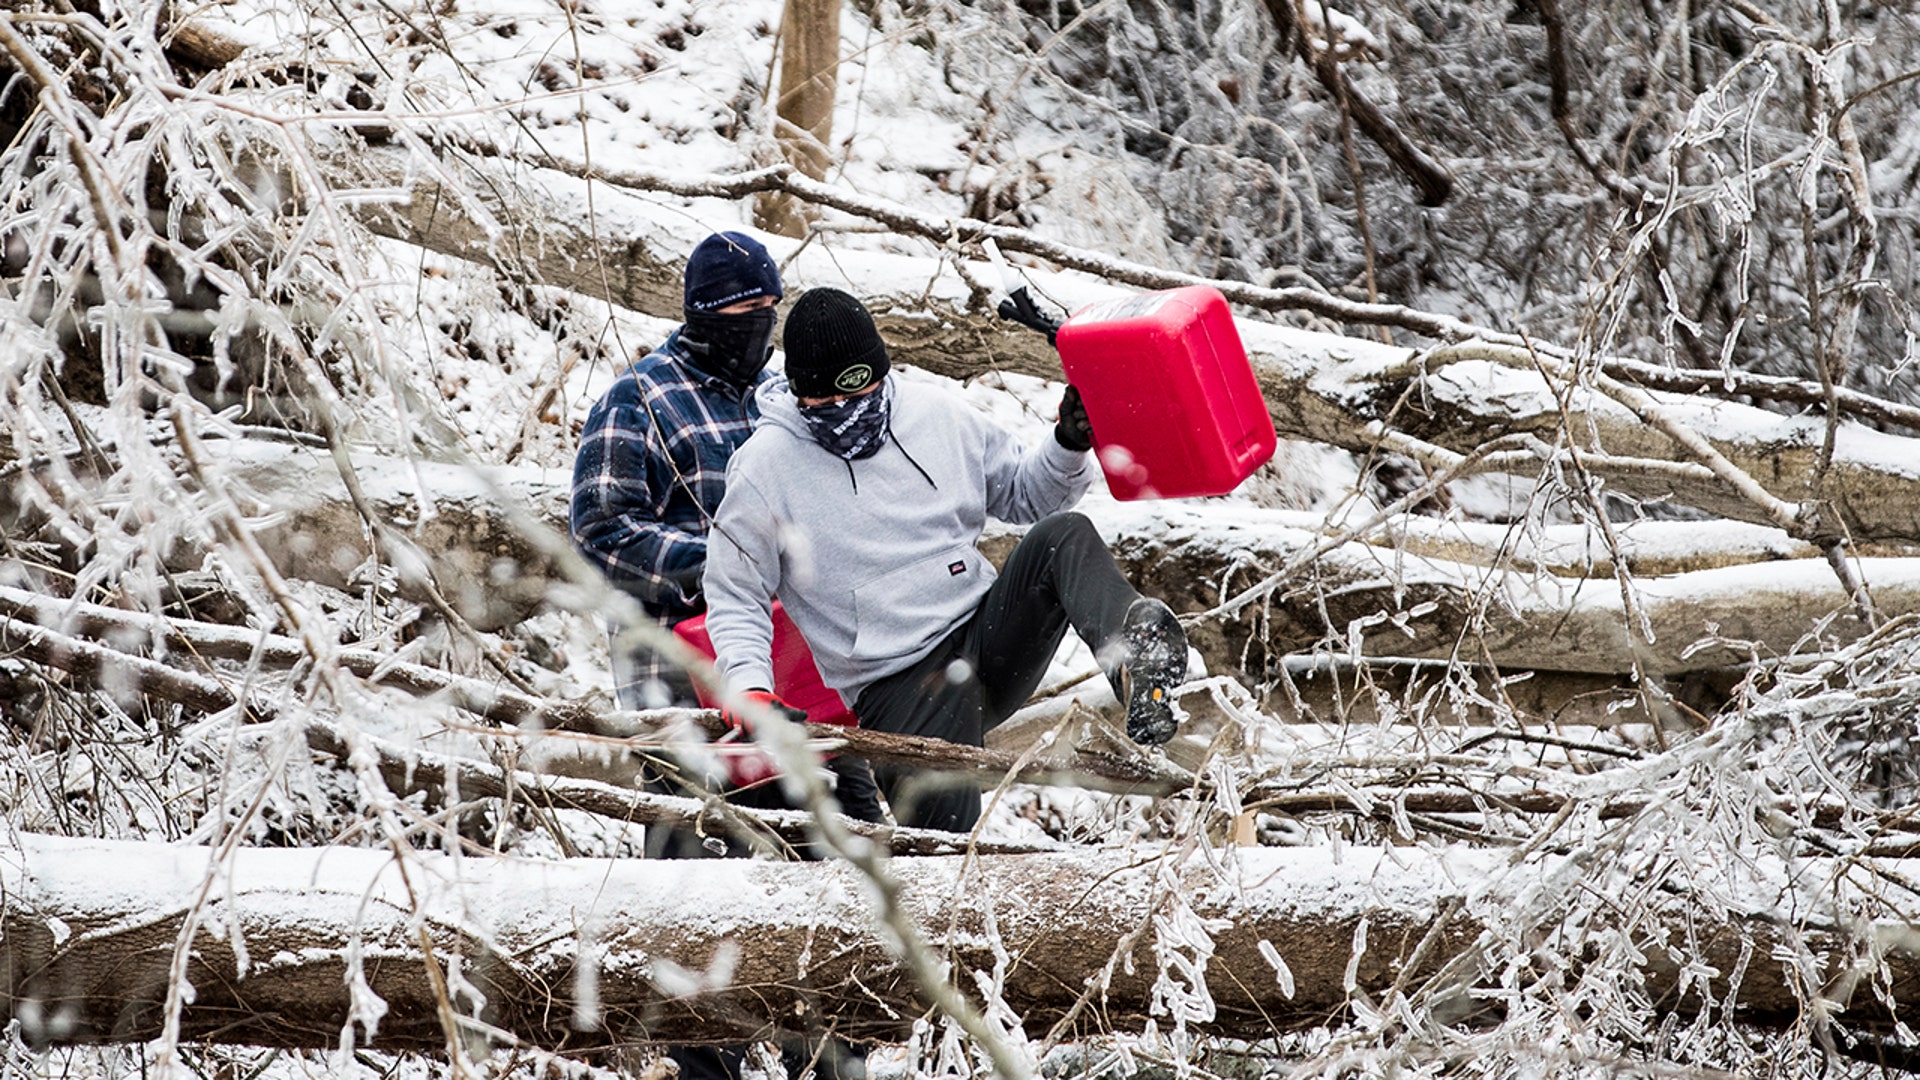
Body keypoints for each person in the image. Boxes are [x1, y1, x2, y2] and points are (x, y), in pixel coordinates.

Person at [702, 287, 1190, 834]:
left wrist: (1067, 445)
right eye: (829, 404)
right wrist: (748, 687)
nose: (851, 411)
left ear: (882, 375)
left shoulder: (935, 415)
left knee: (1063, 535)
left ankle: (1136, 659)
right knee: (943, 850)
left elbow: (1029, 496)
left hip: (985, 639)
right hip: (896, 686)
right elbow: (735, 594)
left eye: (865, 391)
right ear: (799, 393)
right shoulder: (764, 469)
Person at [570, 237, 876, 1080]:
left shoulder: (786, 397)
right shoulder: (638, 400)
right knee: (698, 888)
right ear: (701, 315)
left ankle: (836, 1052)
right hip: (680, 681)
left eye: (766, 313)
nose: (756, 328)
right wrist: (724, 564)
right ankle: (705, 1066)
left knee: (836, 862)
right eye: (739, 315)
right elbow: (600, 534)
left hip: (794, 679)